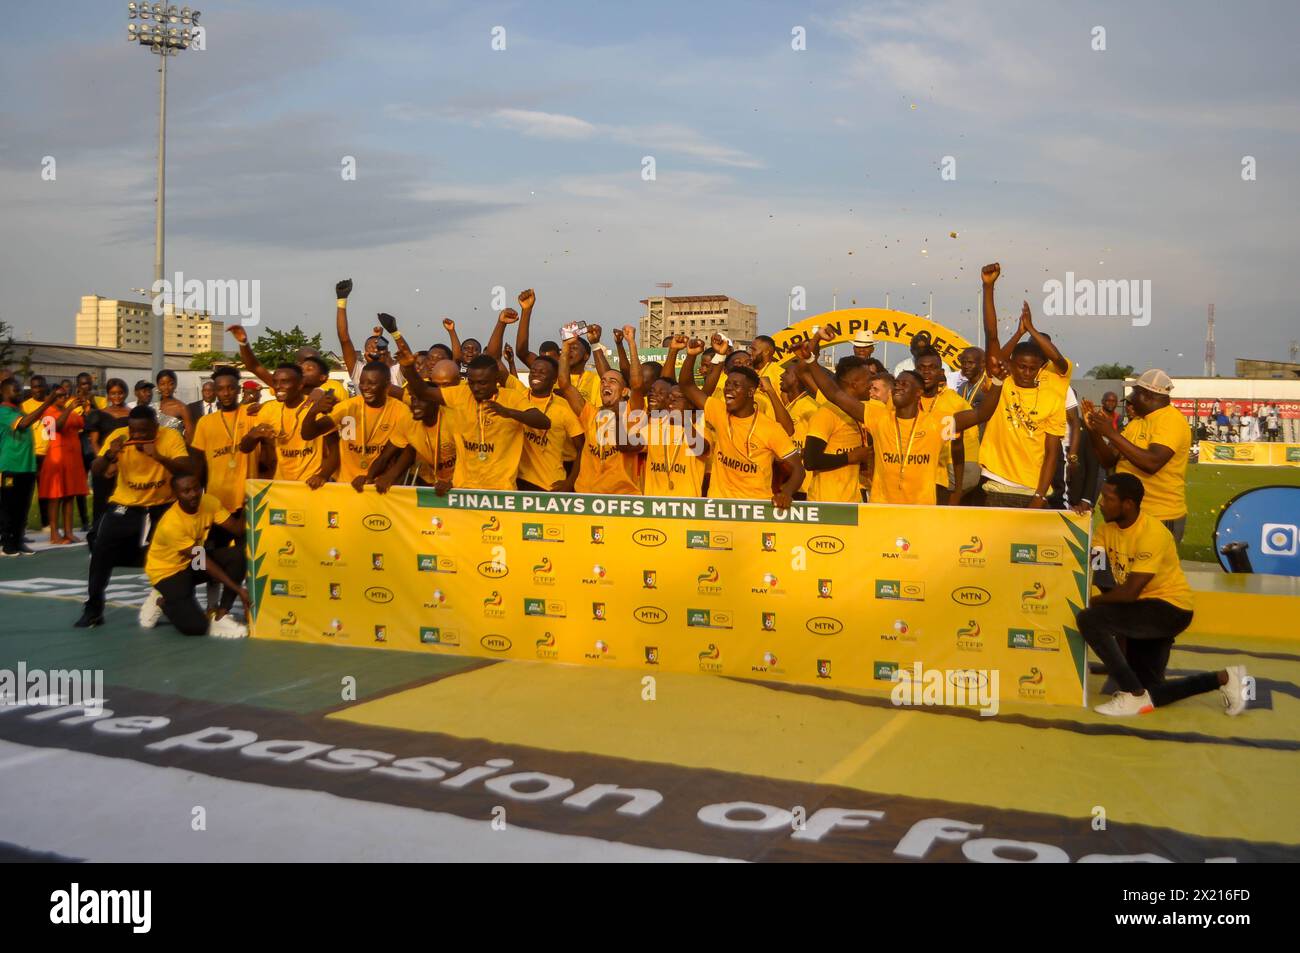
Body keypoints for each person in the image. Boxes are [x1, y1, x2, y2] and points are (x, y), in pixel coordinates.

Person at [1081, 473, 1247, 717]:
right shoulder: (1103, 532)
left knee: (1089, 618)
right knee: (1152, 690)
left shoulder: (1153, 534)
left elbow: (1129, 593)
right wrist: (1112, 620)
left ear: (1128, 503)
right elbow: (1102, 578)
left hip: (1169, 610)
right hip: (1140, 609)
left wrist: (1094, 605)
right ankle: (1224, 678)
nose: (1101, 503)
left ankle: (1132, 695)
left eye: (1108, 498)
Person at [796, 333, 1001, 505]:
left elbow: (981, 414)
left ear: (919, 392)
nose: (899, 386)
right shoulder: (878, 417)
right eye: (897, 383)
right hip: (883, 510)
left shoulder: (938, 423)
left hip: (919, 511)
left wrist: (998, 382)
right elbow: (835, 394)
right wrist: (810, 361)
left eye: (905, 384)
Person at [77, 406, 192, 628]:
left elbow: (186, 468)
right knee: (101, 550)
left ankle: (171, 599)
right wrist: (110, 454)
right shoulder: (119, 437)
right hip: (125, 505)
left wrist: (158, 456)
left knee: (184, 554)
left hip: (162, 506)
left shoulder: (170, 436)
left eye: (144, 431)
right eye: (133, 431)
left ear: (155, 428)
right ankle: (93, 609)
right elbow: (98, 469)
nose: (137, 436)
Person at [404, 323, 551, 491]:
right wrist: (408, 368)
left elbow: (544, 422)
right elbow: (423, 392)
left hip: (501, 490)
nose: (476, 388)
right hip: (464, 489)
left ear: (496, 378)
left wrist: (508, 412)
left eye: (482, 383)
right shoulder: (461, 393)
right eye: (472, 382)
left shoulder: (512, 397)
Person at [977, 264, 1068, 508]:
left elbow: (1051, 453)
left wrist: (1039, 496)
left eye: (1032, 368)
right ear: (1012, 365)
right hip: (997, 485)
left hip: (1034, 491)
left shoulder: (1052, 397)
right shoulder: (1002, 384)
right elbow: (992, 336)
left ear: (1040, 367)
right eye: (1021, 366)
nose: (1026, 372)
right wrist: (988, 288)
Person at [678, 339, 804, 508]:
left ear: (751, 392)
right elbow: (687, 386)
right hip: (719, 504)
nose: (728, 389)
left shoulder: (770, 428)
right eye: (728, 385)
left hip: (755, 507)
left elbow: (798, 469)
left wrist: (786, 493)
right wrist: (691, 356)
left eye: (736, 385)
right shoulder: (718, 410)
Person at [1084, 369, 1191, 542]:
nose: (1131, 398)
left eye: (1135, 392)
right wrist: (1094, 432)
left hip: (1159, 515)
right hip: (1129, 514)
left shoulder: (1171, 420)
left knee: (1148, 569)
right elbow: (1108, 460)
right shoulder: (1138, 423)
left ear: (1148, 395)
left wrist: (1111, 434)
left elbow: (1152, 463)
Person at [141, 472, 248, 638]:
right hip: (168, 573)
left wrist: (245, 506)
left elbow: (237, 529)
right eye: (186, 491)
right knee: (195, 628)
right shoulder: (172, 524)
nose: (193, 494)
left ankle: (222, 614)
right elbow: (203, 560)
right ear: (176, 495)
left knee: (238, 555)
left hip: (192, 564)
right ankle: (162, 601)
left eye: (196, 488)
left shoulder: (209, 502)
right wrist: (239, 590)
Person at [557, 328, 643, 495]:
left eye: (613, 381)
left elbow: (638, 385)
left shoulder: (631, 414)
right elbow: (565, 384)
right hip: (587, 495)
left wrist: (631, 343)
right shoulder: (591, 413)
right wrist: (566, 346)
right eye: (603, 381)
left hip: (621, 498)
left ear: (625, 391)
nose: (605, 384)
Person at [303, 360, 413, 489]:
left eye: (372, 383)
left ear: (387, 386)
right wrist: (313, 411)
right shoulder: (347, 406)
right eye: (362, 382)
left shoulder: (401, 411)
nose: (365, 387)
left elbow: (400, 454)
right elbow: (308, 434)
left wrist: (381, 477)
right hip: (344, 484)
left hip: (377, 485)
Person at [240, 363, 328, 484]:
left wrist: (322, 475)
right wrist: (253, 435)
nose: (278, 386)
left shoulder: (316, 408)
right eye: (275, 382)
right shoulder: (269, 409)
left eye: (284, 382)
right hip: (282, 485)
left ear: (300, 384)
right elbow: (244, 448)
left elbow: (333, 451)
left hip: (310, 484)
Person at [2, 377, 60, 556]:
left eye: (20, 389)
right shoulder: (4, 412)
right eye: (15, 390)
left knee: (23, 506)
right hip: (10, 466)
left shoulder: (18, 411)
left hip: (27, 466)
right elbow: (24, 424)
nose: (19, 392)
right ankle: (8, 543)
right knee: (8, 507)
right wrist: (47, 403)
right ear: (4, 392)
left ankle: (19, 540)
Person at [800, 357, 870, 503]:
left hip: (852, 500)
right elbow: (811, 460)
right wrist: (849, 457)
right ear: (854, 383)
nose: (871, 384)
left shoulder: (860, 411)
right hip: (826, 502)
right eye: (868, 380)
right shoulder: (827, 413)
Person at [915, 347, 979, 504]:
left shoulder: (954, 402)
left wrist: (957, 492)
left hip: (956, 466)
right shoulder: (910, 397)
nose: (926, 372)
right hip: (932, 464)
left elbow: (958, 446)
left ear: (941, 372)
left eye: (932, 368)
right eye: (921, 368)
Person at [189, 367, 257, 515]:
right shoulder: (205, 422)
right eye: (220, 389)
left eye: (231, 388)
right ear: (215, 391)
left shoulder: (252, 415)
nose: (226, 394)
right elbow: (198, 464)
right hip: (216, 499)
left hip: (249, 498)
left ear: (239, 390)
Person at [36, 387, 91, 544]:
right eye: (59, 396)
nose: (63, 398)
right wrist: (68, 409)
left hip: (73, 457)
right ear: (52, 397)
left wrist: (86, 410)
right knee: (55, 496)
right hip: (57, 457)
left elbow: (82, 425)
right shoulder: (48, 412)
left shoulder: (71, 411)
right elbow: (56, 427)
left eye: (65, 396)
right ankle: (54, 533)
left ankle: (68, 532)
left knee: (70, 495)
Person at [334, 279, 405, 390]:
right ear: (365, 352)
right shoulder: (359, 371)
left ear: (386, 352)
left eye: (379, 346)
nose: (375, 349)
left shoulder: (395, 372)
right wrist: (341, 300)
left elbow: (407, 357)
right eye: (371, 347)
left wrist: (394, 332)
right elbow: (344, 339)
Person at [84, 378, 131, 542]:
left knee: (122, 504)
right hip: (103, 465)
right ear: (108, 395)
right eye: (113, 393)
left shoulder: (131, 414)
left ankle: (120, 539)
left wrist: (119, 464)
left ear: (125, 393)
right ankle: (97, 538)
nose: (117, 396)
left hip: (125, 466)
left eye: (120, 393)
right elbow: (94, 442)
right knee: (102, 502)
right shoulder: (98, 414)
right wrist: (105, 461)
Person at [21, 374, 52, 532]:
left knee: (45, 491)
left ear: (45, 387)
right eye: (34, 386)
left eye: (40, 386)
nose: (38, 390)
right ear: (30, 388)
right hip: (29, 454)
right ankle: (23, 523)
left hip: (46, 454)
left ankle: (46, 523)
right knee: (26, 490)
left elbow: (51, 432)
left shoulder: (51, 405)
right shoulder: (25, 406)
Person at [155, 370, 194, 440]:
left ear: (175, 385)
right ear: (158, 386)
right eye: (162, 384)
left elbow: (190, 437)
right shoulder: (152, 407)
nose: (166, 387)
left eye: (170, 384)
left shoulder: (182, 408)